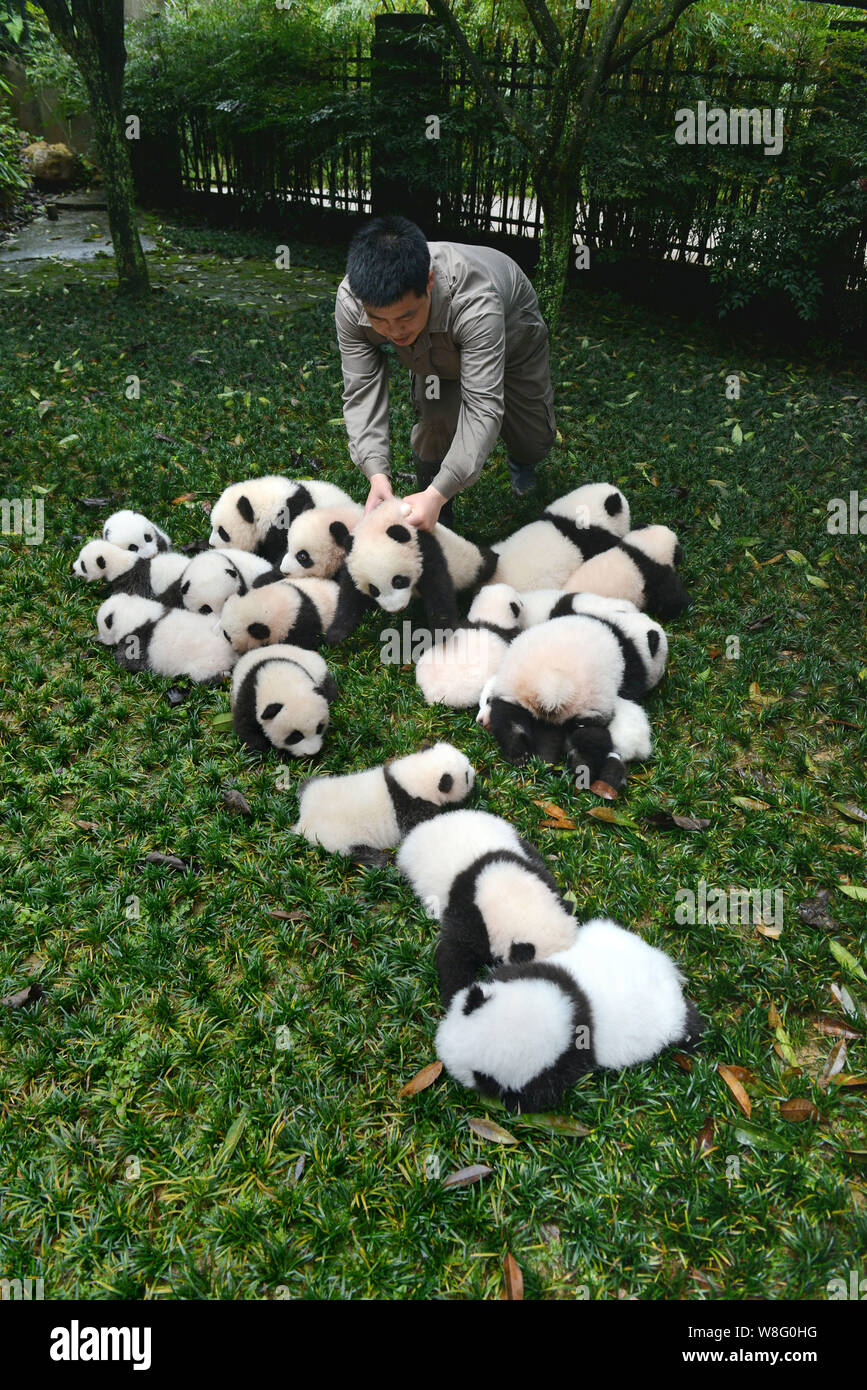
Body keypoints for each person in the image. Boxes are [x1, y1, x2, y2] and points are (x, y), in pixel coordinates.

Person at [335, 215, 556, 531]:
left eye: (405, 316)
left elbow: (482, 406)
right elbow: (361, 391)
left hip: (512, 333)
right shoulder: (349, 302)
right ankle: (437, 508)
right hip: (434, 352)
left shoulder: (477, 300)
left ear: (428, 282)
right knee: (435, 421)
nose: (394, 331)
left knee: (533, 439)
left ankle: (522, 460)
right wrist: (377, 473)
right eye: (379, 320)